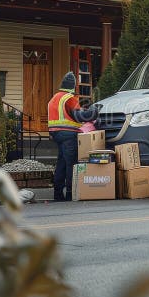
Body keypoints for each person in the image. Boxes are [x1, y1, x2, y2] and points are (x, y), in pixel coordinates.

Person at [48, 72, 99, 201]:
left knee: (62, 163)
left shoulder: (55, 97)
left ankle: (58, 194)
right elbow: (79, 116)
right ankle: (71, 193)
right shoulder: (69, 98)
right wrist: (94, 111)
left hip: (56, 134)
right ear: (73, 86)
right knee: (71, 163)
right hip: (68, 134)